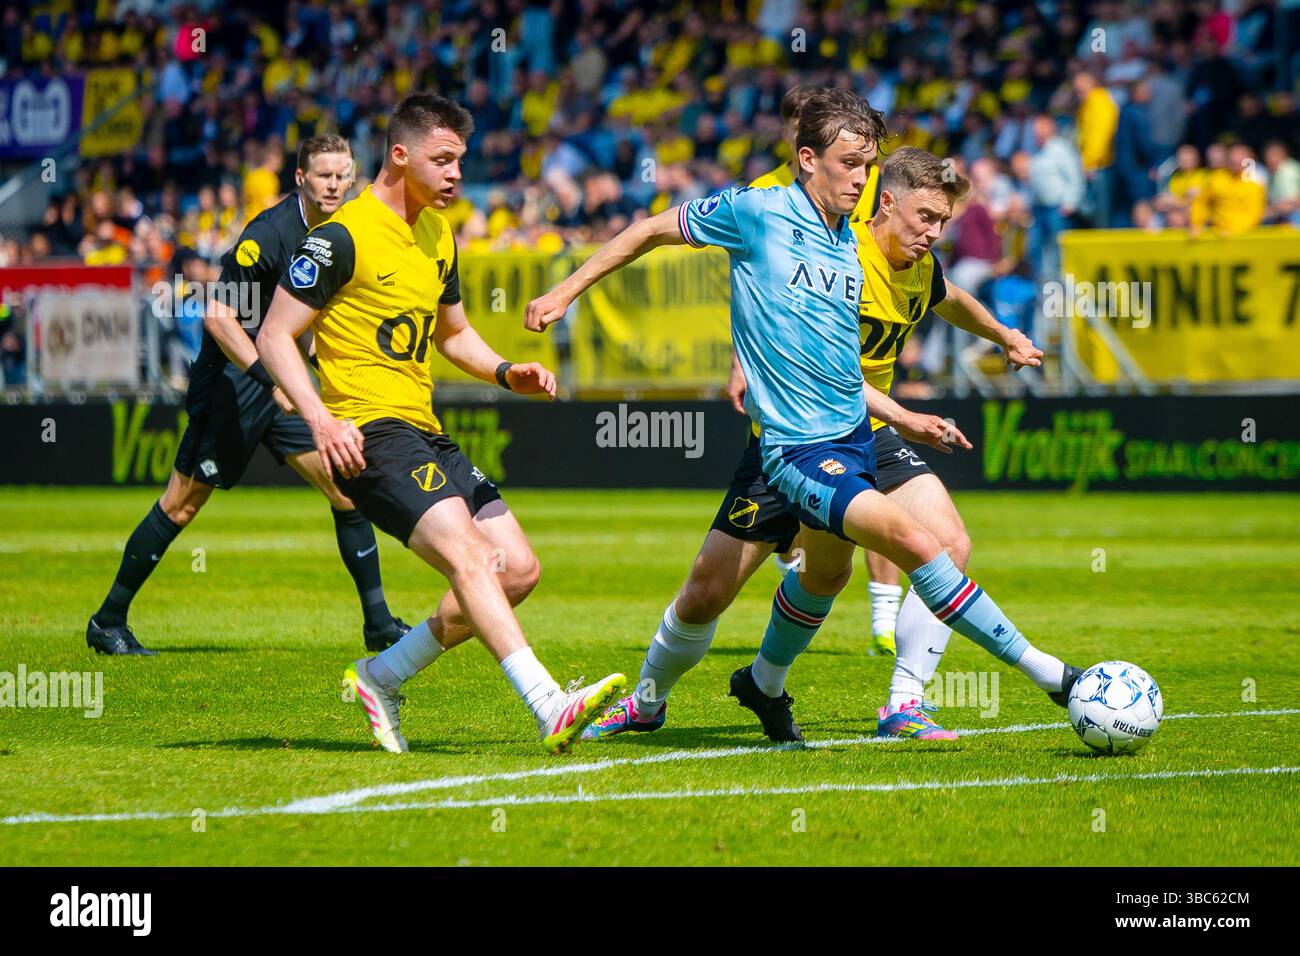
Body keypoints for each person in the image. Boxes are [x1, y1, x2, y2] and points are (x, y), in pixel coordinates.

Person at [526, 91, 1082, 743]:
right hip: (788, 449)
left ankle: (786, 687)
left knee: (842, 568)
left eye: (868, 164)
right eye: (851, 163)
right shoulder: (758, 210)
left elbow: (916, 312)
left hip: (852, 436)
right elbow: (653, 228)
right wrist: (566, 290)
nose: (861, 177)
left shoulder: (850, 243)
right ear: (808, 158)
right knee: (711, 593)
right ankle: (1059, 680)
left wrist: (999, 337)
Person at [257, 94, 624, 754]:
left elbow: (452, 334)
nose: (457, 173)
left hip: (423, 426)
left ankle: (382, 673)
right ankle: (548, 704)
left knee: (516, 570)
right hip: (368, 431)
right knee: (473, 558)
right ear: (400, 156)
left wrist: (506, 370)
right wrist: (319, 418)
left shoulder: (437, 232)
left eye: (461, 160)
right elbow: (275, 335)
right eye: (443, 159)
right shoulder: (341, 235)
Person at [86, 135, 410, 656]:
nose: (334, 184)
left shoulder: (342, 229)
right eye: (324, 175)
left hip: (280, 381)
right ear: (300, 179)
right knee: (182, 505)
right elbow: (219, 317)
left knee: (344, 484)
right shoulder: (266, 235)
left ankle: (377, 624)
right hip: (233, 386)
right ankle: (107, 621)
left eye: (342, 175)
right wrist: (276, 379)